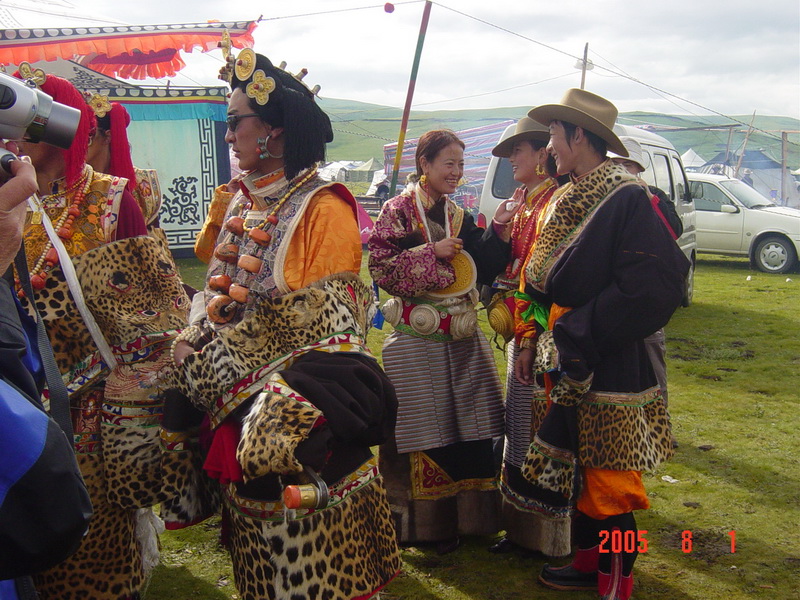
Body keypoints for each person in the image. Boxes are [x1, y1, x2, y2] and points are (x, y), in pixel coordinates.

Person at [171, 49, 400, 600]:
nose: (229, 136)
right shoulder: (244, 202)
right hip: (238, 405)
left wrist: (208, 362)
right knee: (259, 566)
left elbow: (323, 328)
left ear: (273, 130)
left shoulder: (323, 208)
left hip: (300, 416)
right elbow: (217, 292)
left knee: (314, 571)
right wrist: (195, 334)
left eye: (235, 122)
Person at [11, 66, 189, 600]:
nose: (14, 134)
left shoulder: (111, 202)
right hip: (15, 398)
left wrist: (132, 409)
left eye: (28, 120)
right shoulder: (9, 198)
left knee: (89, 559)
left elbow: (160, 318)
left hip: (90, 413)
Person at [516, 89, 689, 600]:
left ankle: (619, 578)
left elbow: (653, 285)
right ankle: (589, 560)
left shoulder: (625, 196)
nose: (549, 146)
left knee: (611, 476)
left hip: (605, 354)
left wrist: (581, 331)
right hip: (570, 350)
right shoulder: (570, 193)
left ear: (579, 136)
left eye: (554, 134)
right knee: (581, 465)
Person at [368, 129, 513, 554]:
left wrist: (500, 228)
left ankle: (473, 520)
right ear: (424, 164)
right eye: (449, 163)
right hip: (418, 335)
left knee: (473, 425)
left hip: (461, 335)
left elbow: (482, 264)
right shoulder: (397, 211)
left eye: (461, 164)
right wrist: (432, 253)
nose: (456, 172)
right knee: (422, 431)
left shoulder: (457, 213)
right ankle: (426, 528)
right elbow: (380, 267)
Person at [483, 117, 570, 557]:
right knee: (519, 426)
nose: (512, 159)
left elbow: (539, 282)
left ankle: (545, 535)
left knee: (538, 429)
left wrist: (531, 337)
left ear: (541, 155)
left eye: (518, 150)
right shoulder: (525, 204)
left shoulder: (553, 204)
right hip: (525, 332)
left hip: (543, 335)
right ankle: (521, 529)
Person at [607, 136, 682, 410]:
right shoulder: (605, 198)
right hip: (612, 296)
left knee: (652, 359)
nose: (621, 170)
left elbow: (672, 231)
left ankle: (660, 418)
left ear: (639, 169)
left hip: (646, 297)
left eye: (627, 165)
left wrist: (648, 198)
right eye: (615, 164)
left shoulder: (655, 196)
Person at [85, 95, 166, 240]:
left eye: (89, 135)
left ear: (108, 136)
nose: (81, 143)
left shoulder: (142, 185)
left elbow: (153, 244)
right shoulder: (72, 183)